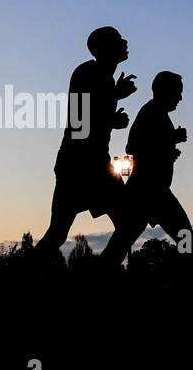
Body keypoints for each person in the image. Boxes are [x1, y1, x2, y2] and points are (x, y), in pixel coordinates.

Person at [33, 27, 137, 262]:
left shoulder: (103, 77)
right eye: (118, 40)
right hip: (81, 164)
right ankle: (97, 278)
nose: (125, 42)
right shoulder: (86, 73)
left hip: (88, 163)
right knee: (60, 233)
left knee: (60, 233)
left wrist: (115, 98)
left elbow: (92, 114)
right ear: (104, 48)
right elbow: (80, 122)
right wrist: (113, 111)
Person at [101, 71, 193, 266]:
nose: (180, 98)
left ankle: (96, 277)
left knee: (121, 243)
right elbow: (133, 147)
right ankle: (189, 277)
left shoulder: (158, 114)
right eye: (177, 92)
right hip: (148, 192)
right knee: (186, 239)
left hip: (150, 192)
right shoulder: (150, 113)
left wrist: (168, 152)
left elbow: (150, 151)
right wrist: (171, 139)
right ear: (165, 92)